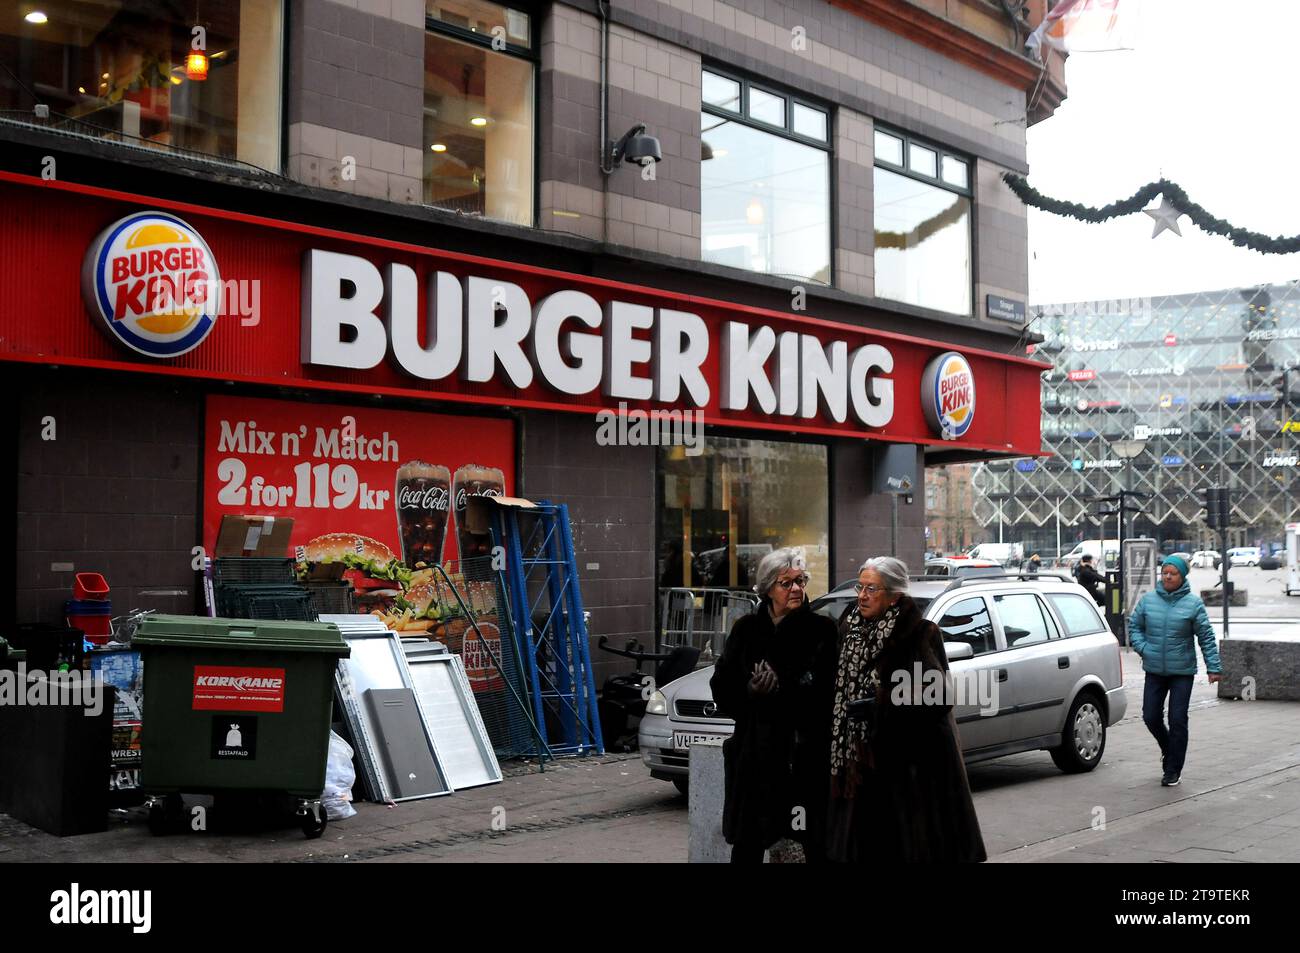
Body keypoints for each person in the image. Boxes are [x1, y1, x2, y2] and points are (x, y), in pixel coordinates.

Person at [825, 556, 986, 863]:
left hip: (911, 766)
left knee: (905, 848)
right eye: (860, 587)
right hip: (858, 759)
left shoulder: (919, 633)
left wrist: (882, 702)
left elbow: (938, 695)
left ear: (895, 594)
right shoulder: (851, 629)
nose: (862, 595)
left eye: (872, 589)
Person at [709, 548, 837, 863]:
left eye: (800, 581)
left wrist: (783, 689)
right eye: (786, 583)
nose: (796, 588)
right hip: (754, 757)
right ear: (768, 588)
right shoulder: (746, 630)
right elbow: (721, 687)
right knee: (748, 843)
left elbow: (829, 693)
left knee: (810, 841)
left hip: (800, 756)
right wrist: (749, 690)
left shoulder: (821, 630)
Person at [1127, 553, 1222, 787]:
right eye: (1164, 573)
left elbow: (1206, 636)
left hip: (1182, 671)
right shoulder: (1148, 601)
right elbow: (1134, 626)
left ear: (1182, 576)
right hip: (1155, 669)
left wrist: (1214, 667)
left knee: (1177, 718)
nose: (1167, 577)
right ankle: (1168, 748)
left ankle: (1173, 769)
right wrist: (1143, 648)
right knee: (1150, 716)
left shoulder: (1193, 603)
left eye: (1173, 573)